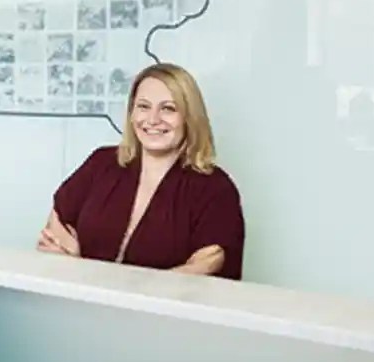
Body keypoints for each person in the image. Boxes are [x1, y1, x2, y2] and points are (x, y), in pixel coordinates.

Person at [37, 63, 245, 279]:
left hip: (160, 311)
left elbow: (209, 262)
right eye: (143, 106)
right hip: (81, 306)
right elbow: (55, 230)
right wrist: (74, 265)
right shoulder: (102, 163)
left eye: (168, 108)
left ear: (189, 117)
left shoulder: (215, 188)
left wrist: (134, 292)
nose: (153, 119)